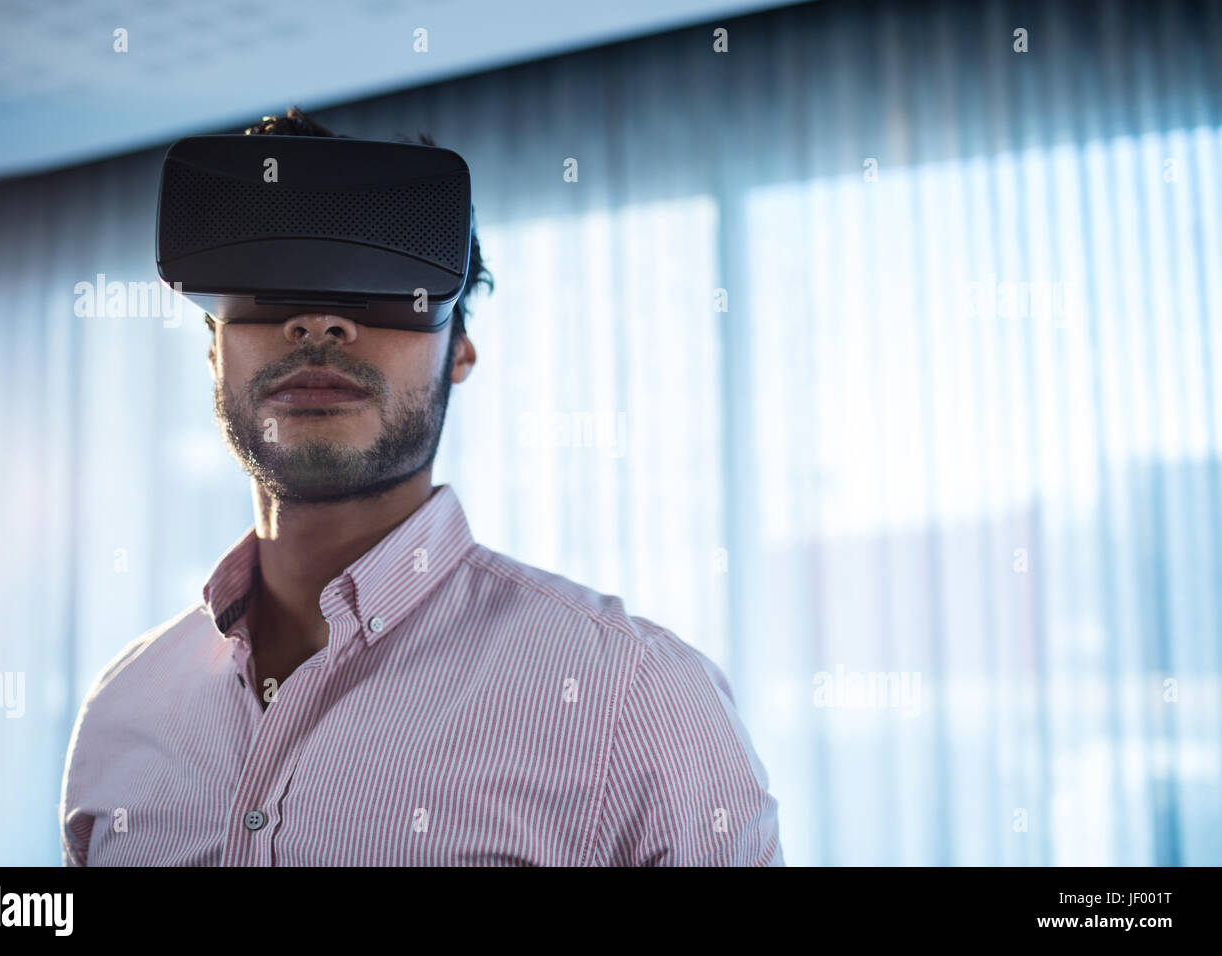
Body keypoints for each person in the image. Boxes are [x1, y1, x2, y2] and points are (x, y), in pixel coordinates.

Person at [59, 106, 783, 866]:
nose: (319, 322)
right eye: (270, 286)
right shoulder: (123, 710)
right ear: (213, 349)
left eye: (384, 284)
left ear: (459, 352)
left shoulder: (634, 700)